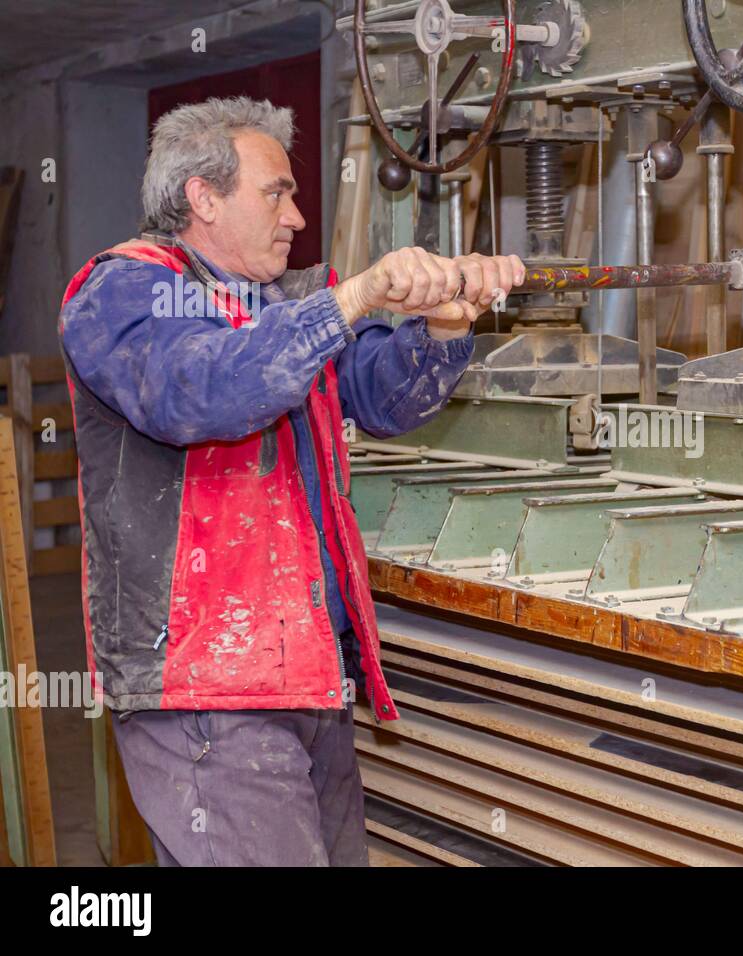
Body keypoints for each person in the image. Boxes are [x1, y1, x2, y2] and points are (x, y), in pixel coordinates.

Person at [58, 95, 523, 866]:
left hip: (307, 669)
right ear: (202, 198)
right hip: (203, 689)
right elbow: (204, 390)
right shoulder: (122, 295)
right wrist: (355, 297)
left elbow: (381, 396)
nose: (299, 216)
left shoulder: (286, 301)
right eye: (277, 192)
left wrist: (446, 321)